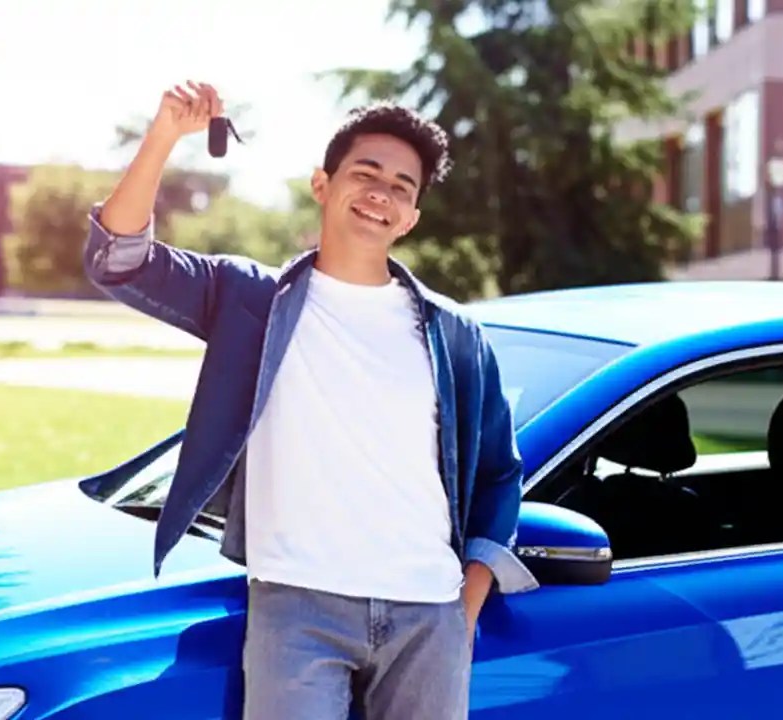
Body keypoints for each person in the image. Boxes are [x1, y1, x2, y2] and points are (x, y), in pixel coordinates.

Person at [83, 80, 539, 719]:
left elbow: (498, 474)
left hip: (428, 616)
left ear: (411, 217)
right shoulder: (250, 300)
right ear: (322, 184)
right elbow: (120, 261)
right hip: (297, 608)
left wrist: (464, 607)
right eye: (365, 173)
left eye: (401, 187)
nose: (380, 194)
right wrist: (164, 136)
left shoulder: (455, 335)